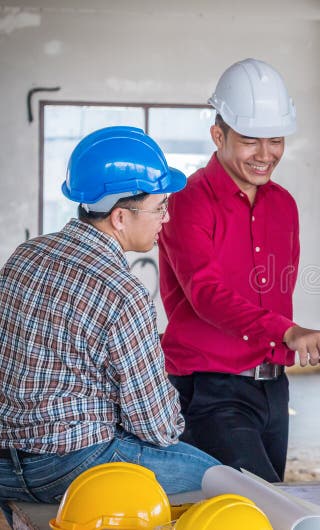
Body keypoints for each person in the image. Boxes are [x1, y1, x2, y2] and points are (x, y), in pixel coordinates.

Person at [0, 126, 219, 518]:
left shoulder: (24, 256)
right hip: (73, 466)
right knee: (222, 480)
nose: (166, 218)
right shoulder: (123, 294)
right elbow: (157, 426)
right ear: (120, 216)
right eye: (159, 206)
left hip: (5, 466)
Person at [158, 58, 320, 483]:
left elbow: (277, 293)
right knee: (265, 507)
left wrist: (288, 343)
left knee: (263, 502)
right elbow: (205, 292)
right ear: (218, 135)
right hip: (211, 389)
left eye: (276, 140)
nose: (266, 155)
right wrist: (288, 331)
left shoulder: (283, 204)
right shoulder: (189, 199)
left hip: (274, 388)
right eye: (250, 141)